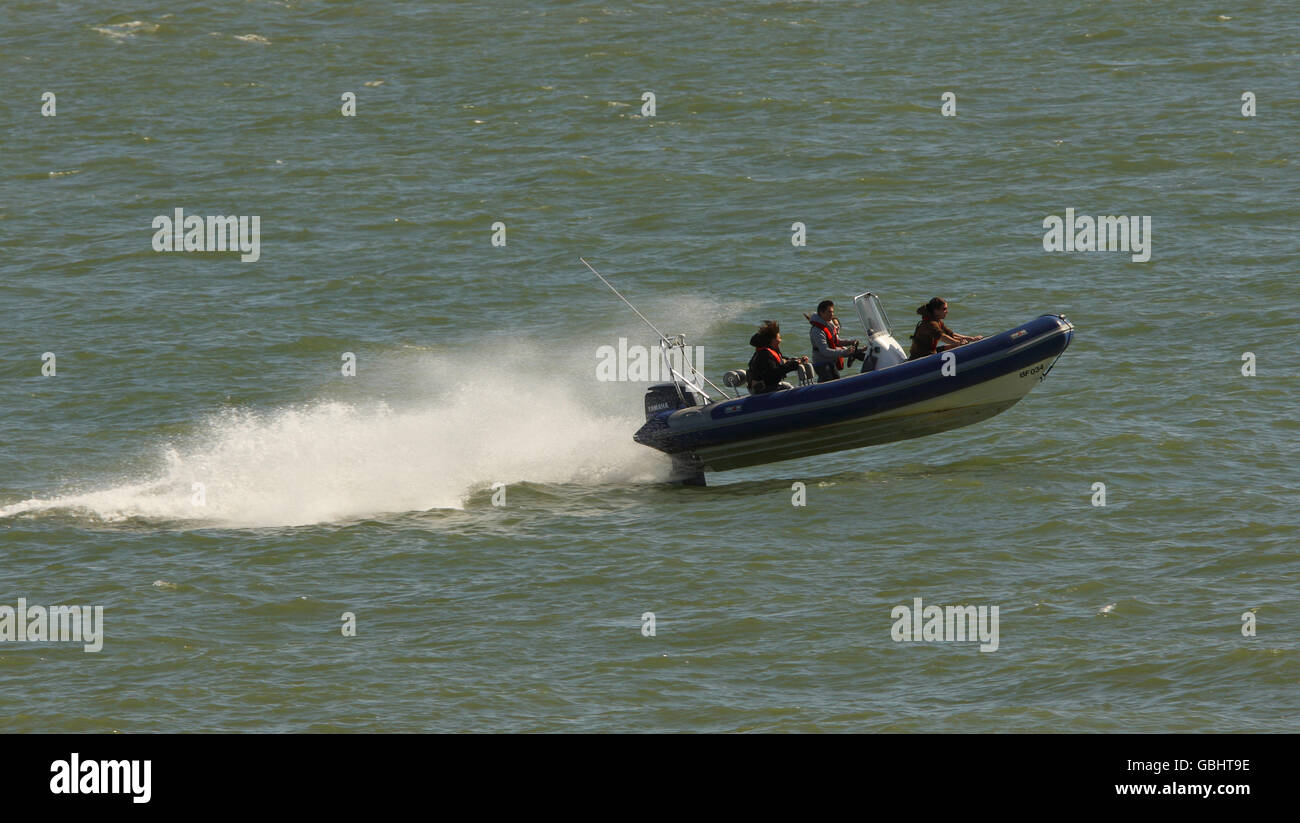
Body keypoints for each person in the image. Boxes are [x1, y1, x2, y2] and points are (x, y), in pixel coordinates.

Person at [907, 297, 982, 360]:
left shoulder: (937, 321)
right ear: (936, 311)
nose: (947, 312)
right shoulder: (930, 324)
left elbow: (951, 335)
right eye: (944, 309)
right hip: (919, 358)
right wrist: (958, 343)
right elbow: (943, 337)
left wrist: (972, 339)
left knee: (955, 345)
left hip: (931, 352)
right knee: (955, 345)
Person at [747, 320, 809, 394]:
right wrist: (793, 365)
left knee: (788, 386)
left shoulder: (771, 351)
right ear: (772, 340)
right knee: (788, 388)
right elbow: (774, 373)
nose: (780, 340)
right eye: (778, 338)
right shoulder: (763, 354)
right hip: (763, 390)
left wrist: (798, 360)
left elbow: (782, 360)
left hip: (772, 386)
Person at [806, 300, 860, 382]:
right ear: (821, 313)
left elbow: (836, 341)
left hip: (831, 361)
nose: (832, 314)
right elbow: (825, 351)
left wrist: (851, 342)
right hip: (822, 364)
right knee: (828, 382)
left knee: (837, 379)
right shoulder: (817, 331)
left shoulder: (828, 325)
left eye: (832, 312)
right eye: (829, 312)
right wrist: (844, 352)